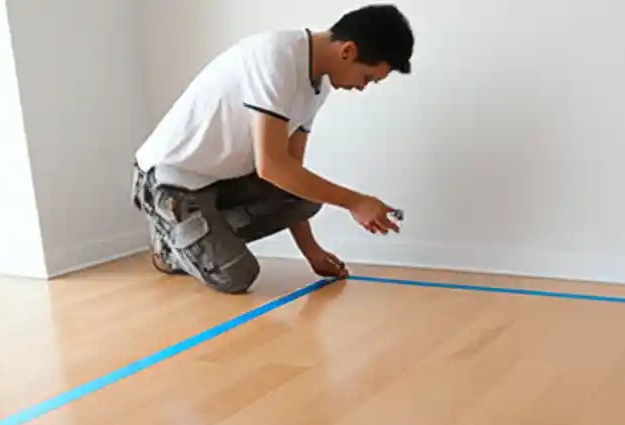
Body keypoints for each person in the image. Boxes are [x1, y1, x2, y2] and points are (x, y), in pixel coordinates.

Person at [131, 5, 414, 293]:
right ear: (348, 52)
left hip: (219, 184)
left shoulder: (318, 88)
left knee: (306, 197)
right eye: (367, 77)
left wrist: (312, 252)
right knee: (237, 277)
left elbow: (290, 176)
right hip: (168, 183)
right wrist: (356, 201)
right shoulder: (276, 56)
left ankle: (201, 233)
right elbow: (272, 166)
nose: (363, 88)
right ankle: (169, 249)